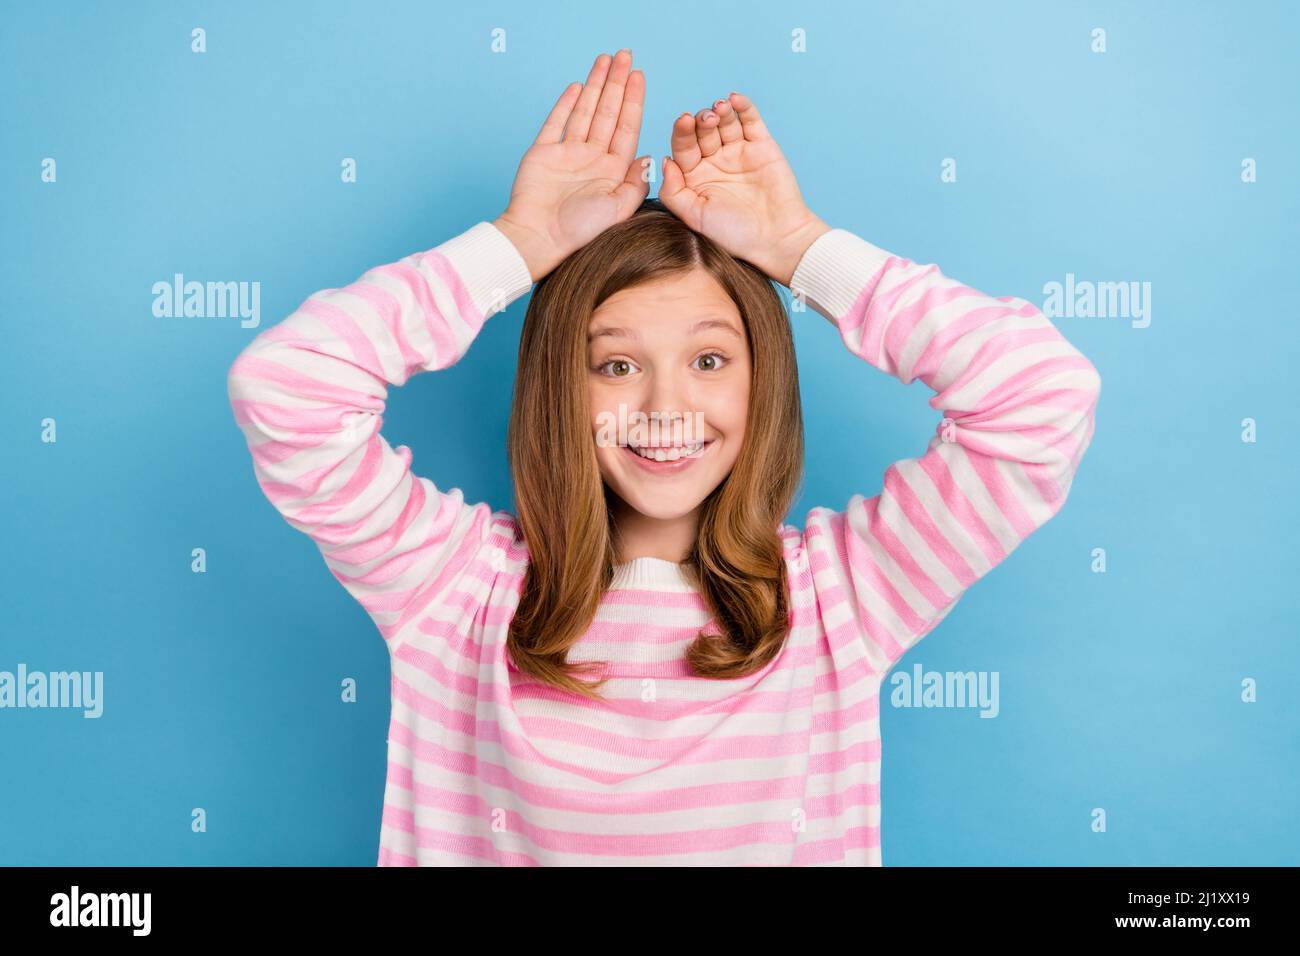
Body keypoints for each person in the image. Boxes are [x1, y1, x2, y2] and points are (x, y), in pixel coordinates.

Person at [227, 49, 1102, 865]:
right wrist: (520, 245)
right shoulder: (453, 592)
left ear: (764, 383)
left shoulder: (843, 600)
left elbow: (1041, 398)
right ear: (560, 390)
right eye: (615, 365)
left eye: (710, 360)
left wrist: (800, 248)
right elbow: (286, 389)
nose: (666, 408)